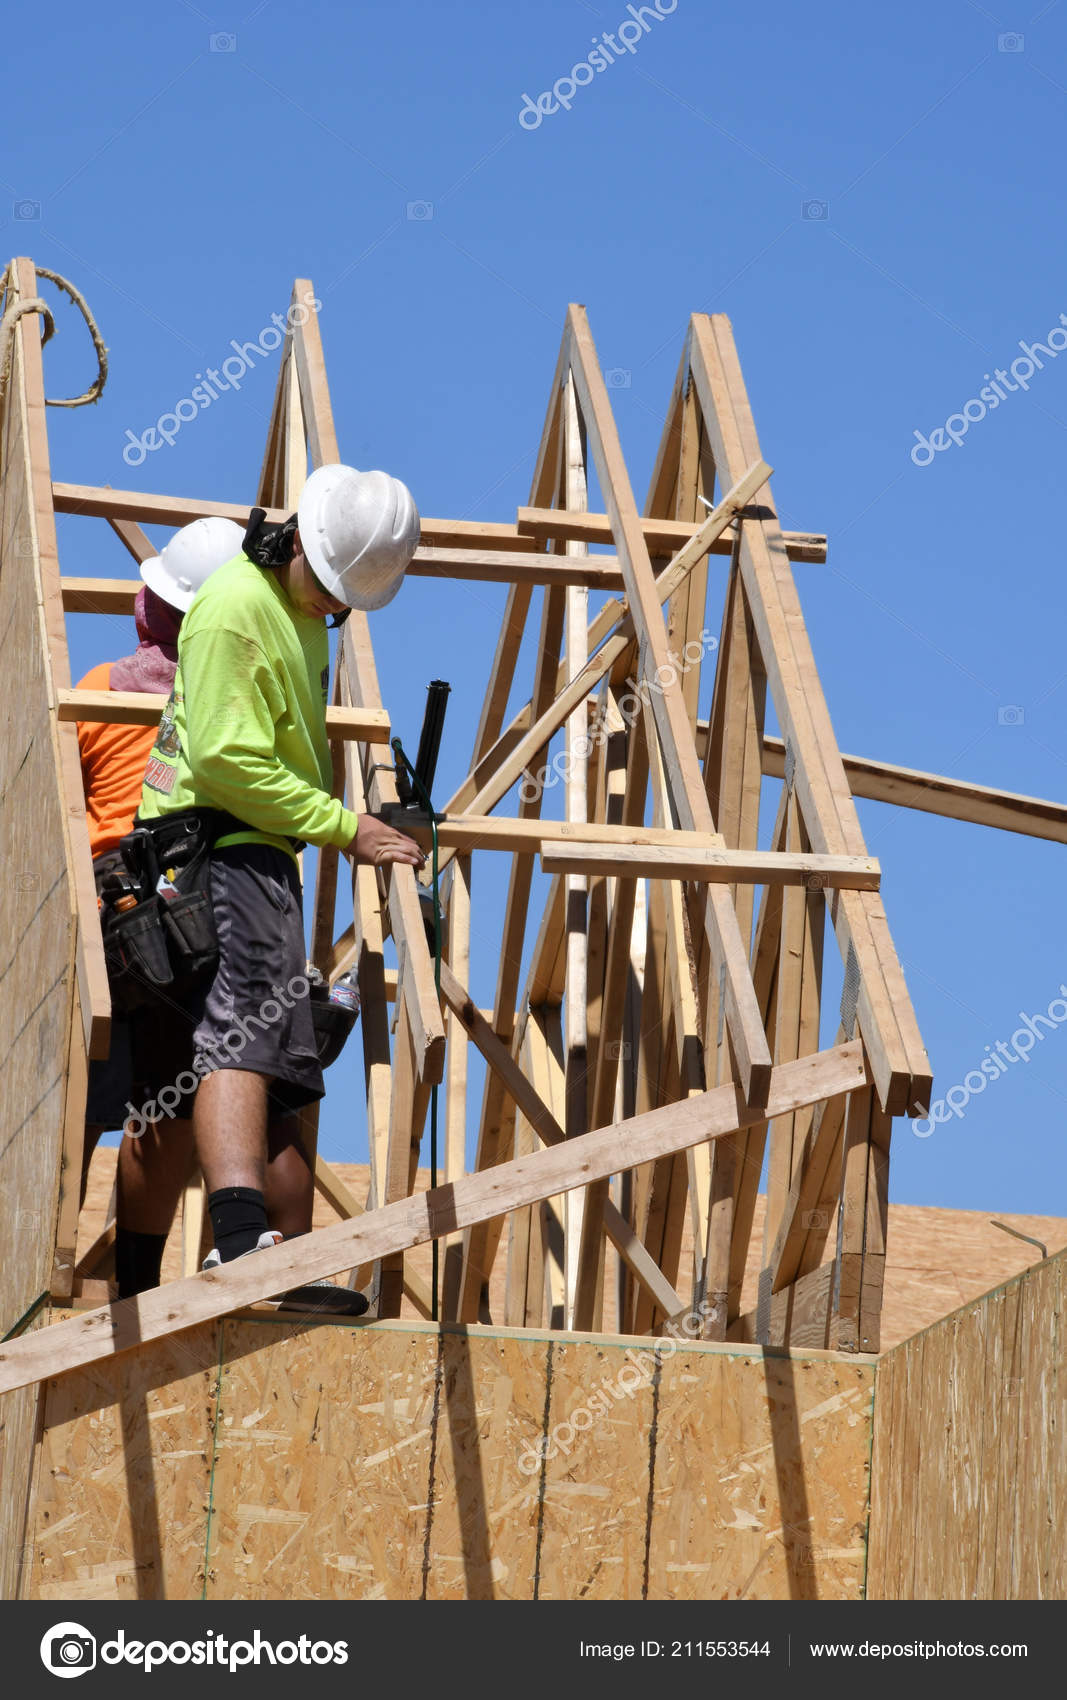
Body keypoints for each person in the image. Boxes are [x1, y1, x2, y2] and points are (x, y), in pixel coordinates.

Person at [136, 464, 425, 1307]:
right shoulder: (236, 608)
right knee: (239, 1035)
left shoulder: (299, 604)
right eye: (331, 589)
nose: (335, 608)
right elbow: (226, 762)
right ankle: (238, 1245)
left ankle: (278, 1265)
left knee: (287, 1064)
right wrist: (348, 827)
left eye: (346, 600)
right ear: (298, 541)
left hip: (261, 853)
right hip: (224, 846)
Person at [79, 517, 245, 1299]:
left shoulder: (102, 687)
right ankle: (138, 1285)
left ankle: (37, 1267)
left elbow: (54, 805)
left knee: (72, 1097)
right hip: (196, 906)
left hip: (104, 906)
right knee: (167, 1096)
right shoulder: (231, 693)